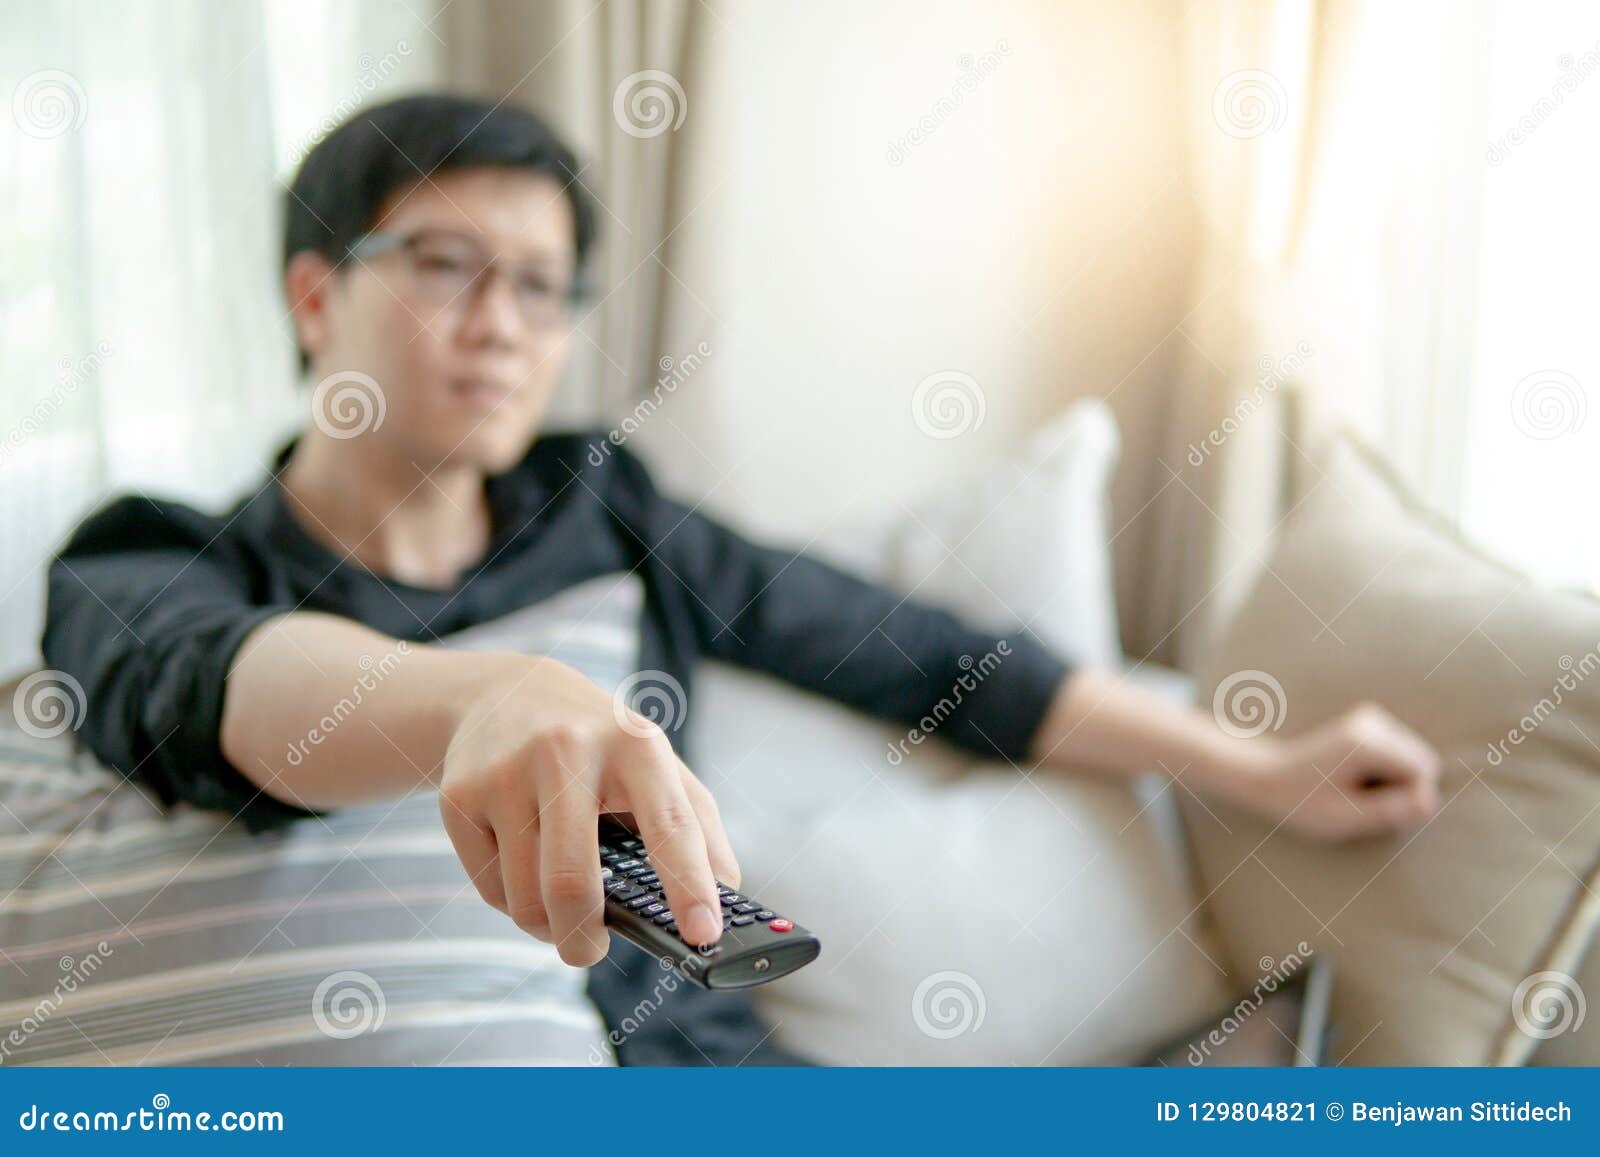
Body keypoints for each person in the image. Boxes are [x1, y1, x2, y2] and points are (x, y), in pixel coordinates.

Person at [42, 93, 1442, 1065]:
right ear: (313, 296)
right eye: (447, 265)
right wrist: (483, 699)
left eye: (541, 286)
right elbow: (202, 688)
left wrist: (1258, 766)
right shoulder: (148, 554)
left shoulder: (602, 508)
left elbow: (918, 654)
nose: (500, 325)